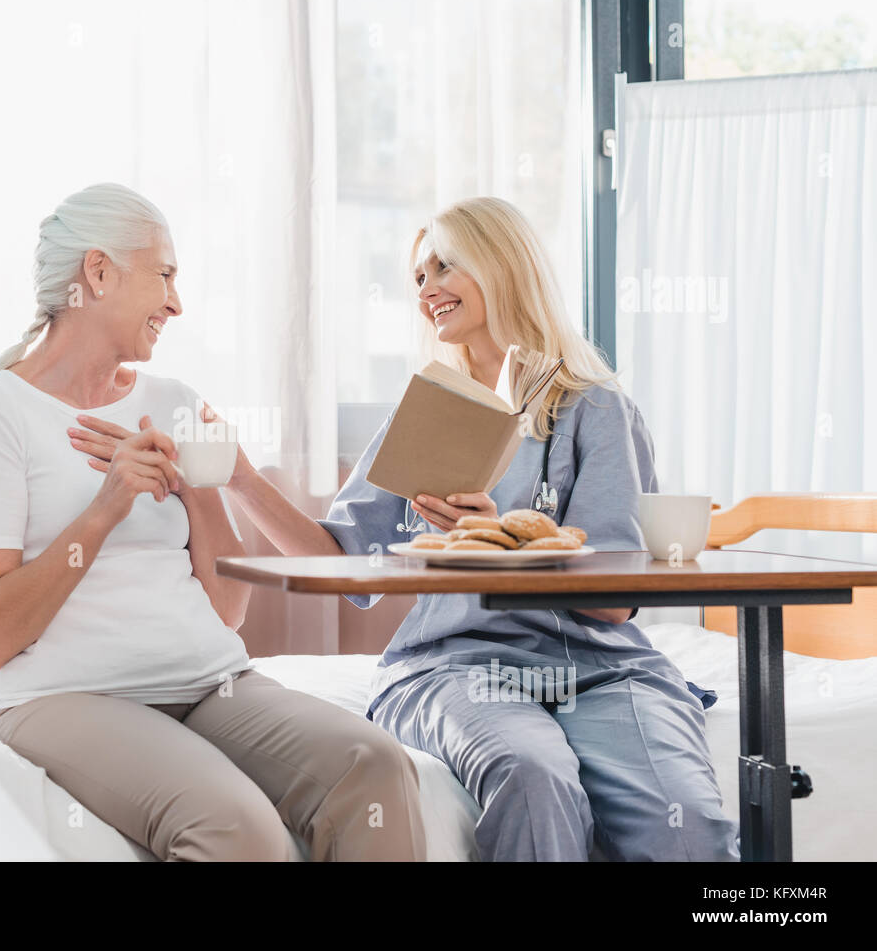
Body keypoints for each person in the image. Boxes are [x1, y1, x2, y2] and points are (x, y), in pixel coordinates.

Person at [223, 196, 739, 861]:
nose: (426, 289)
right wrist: (238, 476)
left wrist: (511, 545)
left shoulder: (597, 408)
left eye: (445, 266)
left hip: (601, 669)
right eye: (417, 277)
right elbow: (340, 560)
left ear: (501, 265)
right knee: (535, 779)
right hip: (457, 665)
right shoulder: (426, 414)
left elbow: (612, 601)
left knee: (685, 824)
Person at [0, 183, 426, 861]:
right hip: (65, 694)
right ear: (98, 272)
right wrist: (107, 508)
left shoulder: (173, 402)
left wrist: (198, 491)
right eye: (164, 275)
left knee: (376, 766)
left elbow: (225, 611)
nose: (176, 302)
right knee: (238, 829)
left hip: (208, 680)